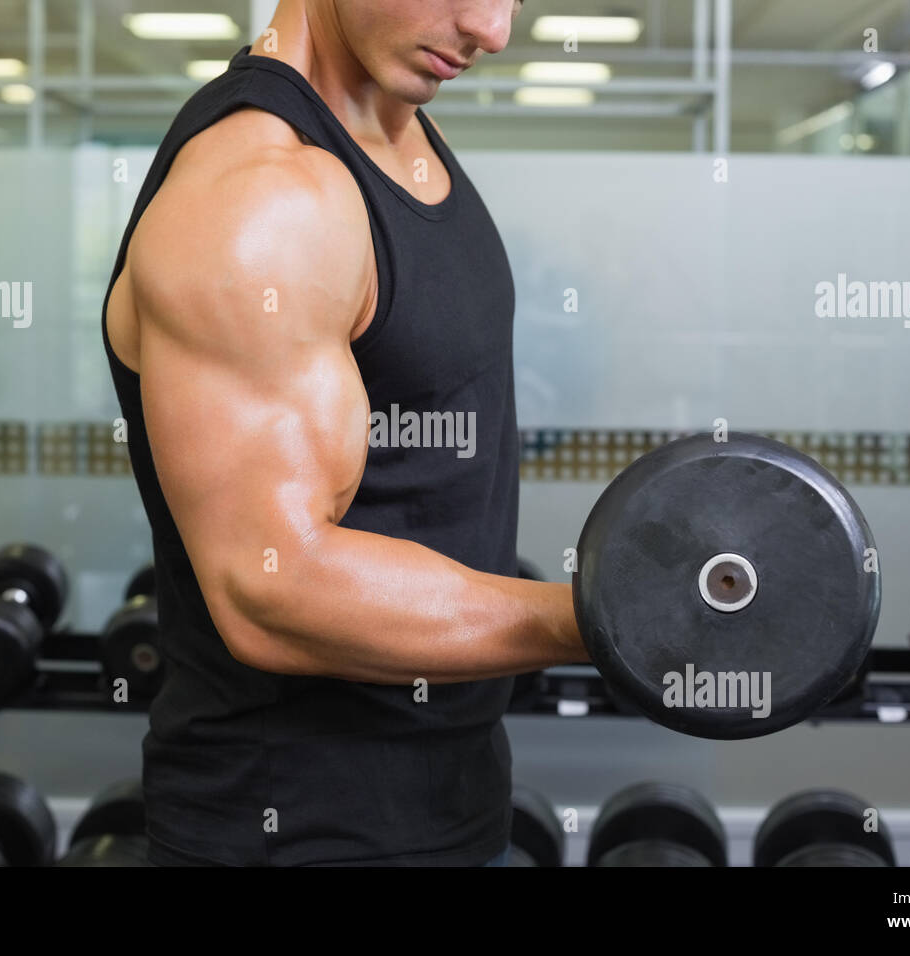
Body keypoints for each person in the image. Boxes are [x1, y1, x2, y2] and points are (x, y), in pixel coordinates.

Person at [101, 0, 585, 866]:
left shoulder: (401, 136)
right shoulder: (262, 194)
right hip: (298, 832)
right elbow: (274, 590)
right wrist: (604, 621)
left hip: (455, 804)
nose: (493, 28)